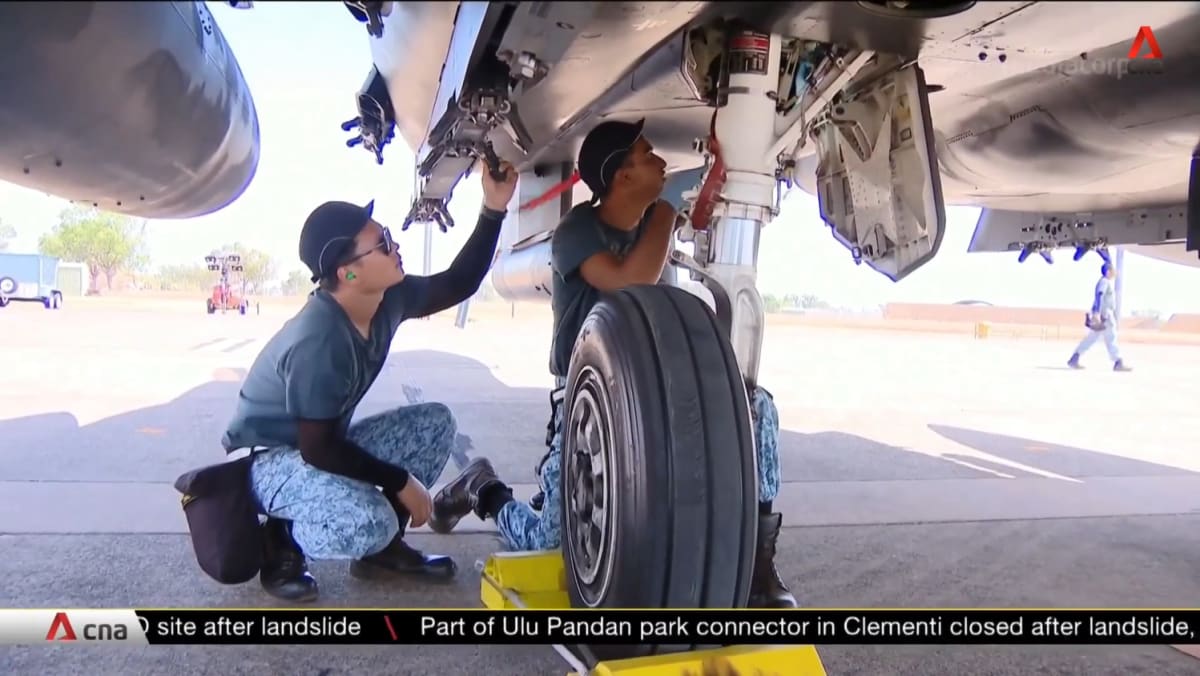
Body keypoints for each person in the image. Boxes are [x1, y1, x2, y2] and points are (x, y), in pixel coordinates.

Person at [429, 118, 797, 609]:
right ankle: (484, 489)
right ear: (621, 178)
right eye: (647, 156)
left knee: (758, 410)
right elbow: (629, 283)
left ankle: (756, 565)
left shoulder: (651, 227)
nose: (662, 162)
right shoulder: (578, 231)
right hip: (588, 404)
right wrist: (668, 213)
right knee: (551, 545)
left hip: (659, 391)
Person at [219, 160, 518, 602]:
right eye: (382, 245)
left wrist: (494, 206)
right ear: (349, 273)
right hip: (268, 465)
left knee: (434, 424)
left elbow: (457, 282)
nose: (394, 247)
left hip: (312, 450)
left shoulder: (387, 297)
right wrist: (400, 481)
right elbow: (317, 447)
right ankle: (281, 538)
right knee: (369, 519)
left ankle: (380, 553)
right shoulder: (319, 338)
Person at [1067, 261, 1131, 372]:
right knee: (1111, 337)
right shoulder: (1105, 282)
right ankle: (1118, 362)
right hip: (1105, 314)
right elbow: (1100, 295)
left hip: (1101, 314)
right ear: (1108, 271)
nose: (1114, 273)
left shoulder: (1103, 282)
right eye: (1112, 271)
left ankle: (1075, 357)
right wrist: (1097, 312)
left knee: (1091, 338)